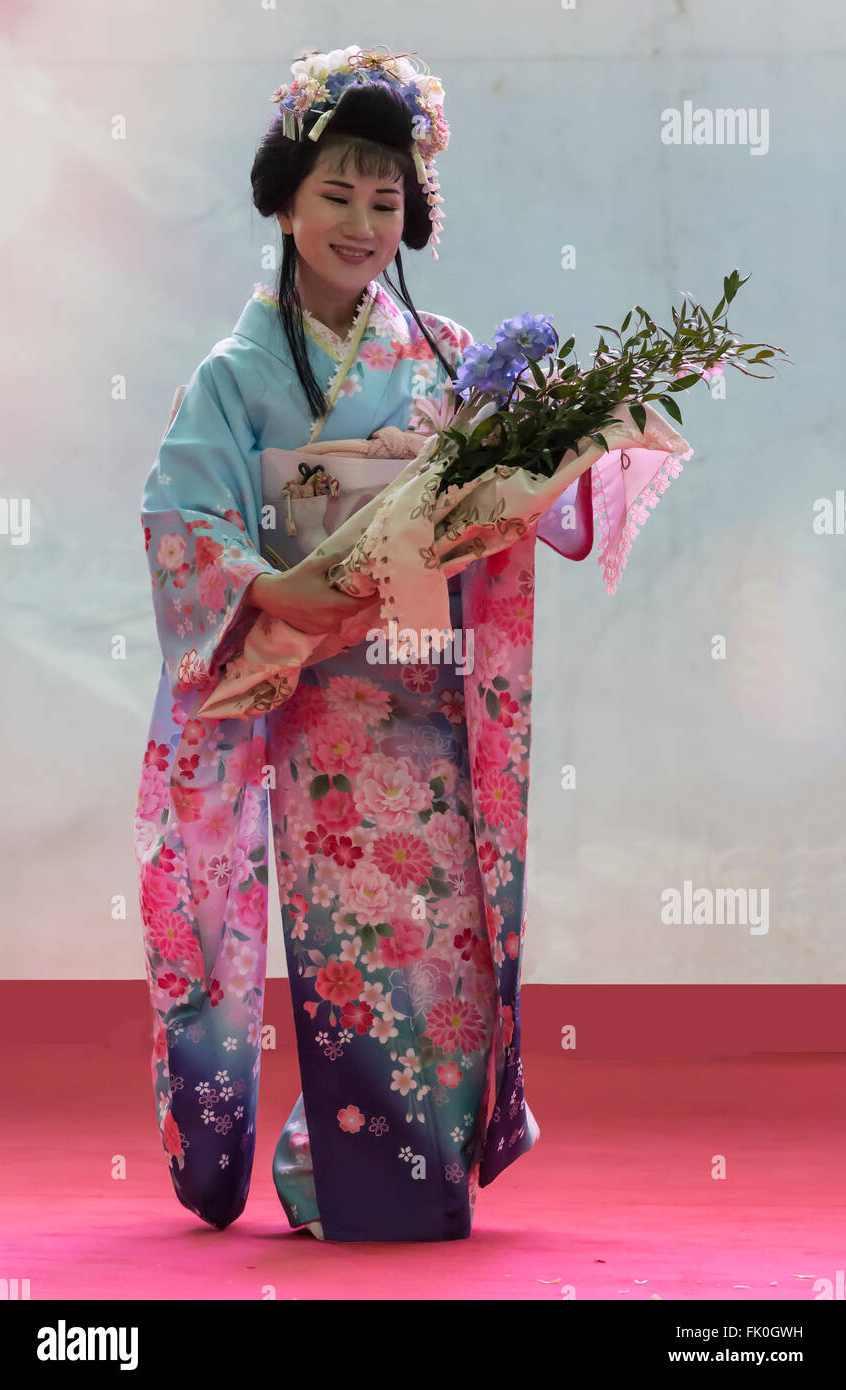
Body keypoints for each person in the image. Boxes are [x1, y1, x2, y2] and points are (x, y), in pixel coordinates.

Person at [135, 45, 544, 1243]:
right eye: (337, 195)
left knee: (452, 938)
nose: (364, 224)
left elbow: (525, 504)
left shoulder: (444, 354)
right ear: (283, 200)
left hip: (431, 698)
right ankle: (355, 1171)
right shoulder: (236, 373)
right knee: (360, 933)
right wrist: (280, 583)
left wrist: (551, 461)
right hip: (318, 710)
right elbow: (181, 519)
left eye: (385, 201)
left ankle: (409, 1160)